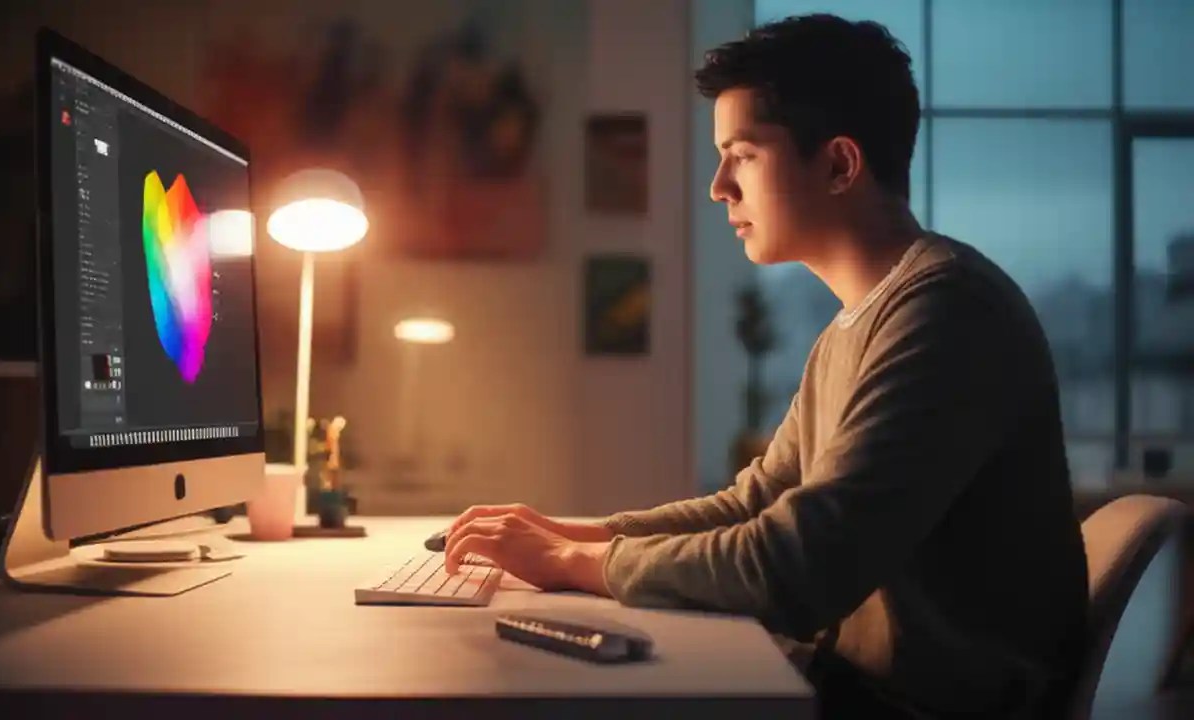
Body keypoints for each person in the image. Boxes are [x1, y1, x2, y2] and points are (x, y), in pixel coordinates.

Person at [442, 14, 1087, 719]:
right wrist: (577, 534)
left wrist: (572, 564)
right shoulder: (857, 325)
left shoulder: (947, 313)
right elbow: (752, 505)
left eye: (742, 155)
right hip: (851, 686)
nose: (719, 186)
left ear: (839, 165)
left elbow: (798, 566)